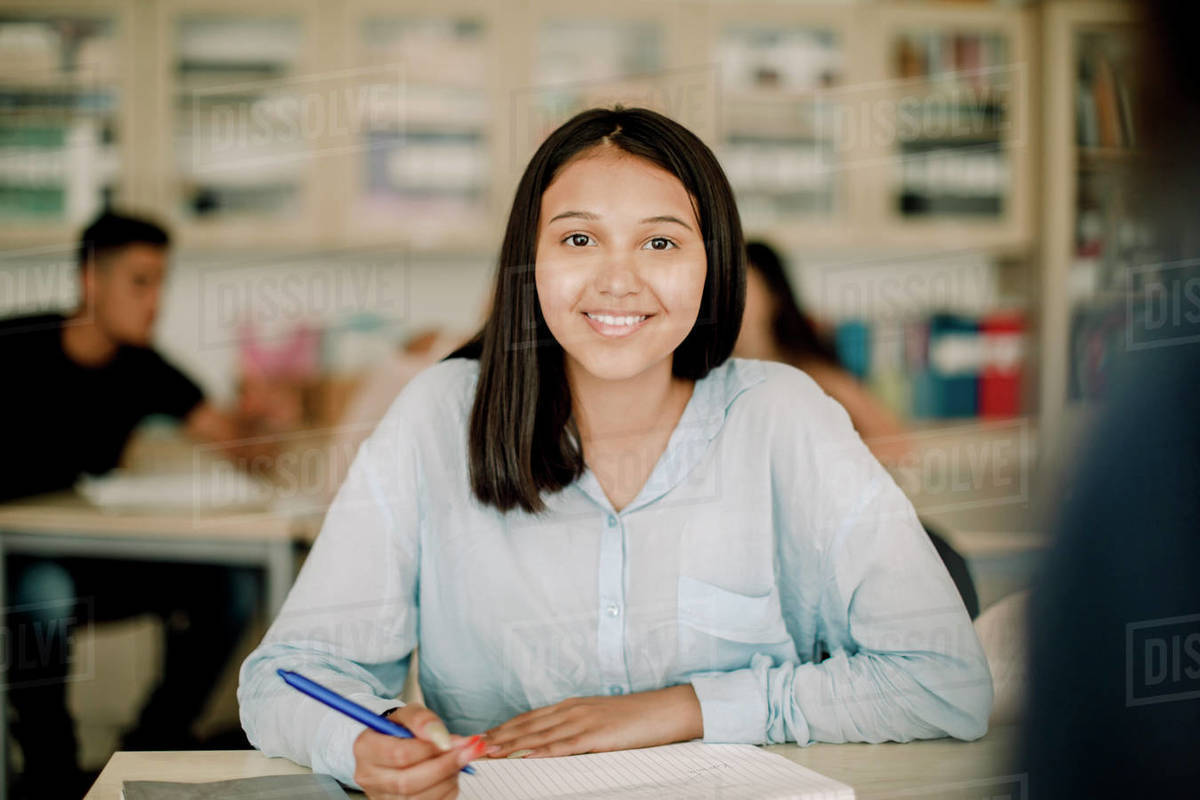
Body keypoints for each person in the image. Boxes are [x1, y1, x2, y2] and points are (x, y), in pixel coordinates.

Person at [239, 107, 991, 799]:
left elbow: (945, 682)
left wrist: (678, 709)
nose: (618, 280)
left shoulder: (784, 418)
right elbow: (283, 678)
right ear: (528, 263)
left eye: (660, 241)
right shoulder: (439, 417)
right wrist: (366, 741)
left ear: (714, 263)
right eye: (577, 239)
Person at [0, 211, 263, 799]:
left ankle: (154, 744)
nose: (155, 301)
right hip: (18, 558)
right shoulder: (16, 346)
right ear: (91, 280)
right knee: (41, 593)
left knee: (235, 586)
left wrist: (265, 412)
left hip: (96, 557)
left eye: (162, 283)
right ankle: (49, 767)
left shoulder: (144, 364)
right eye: (140, 283)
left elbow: (235, 441)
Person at [734, 240, 979, 618]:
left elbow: (898, 446)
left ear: (773, 296)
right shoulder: (709, 379)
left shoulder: (813, 374)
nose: (729, 300)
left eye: (742, 287)